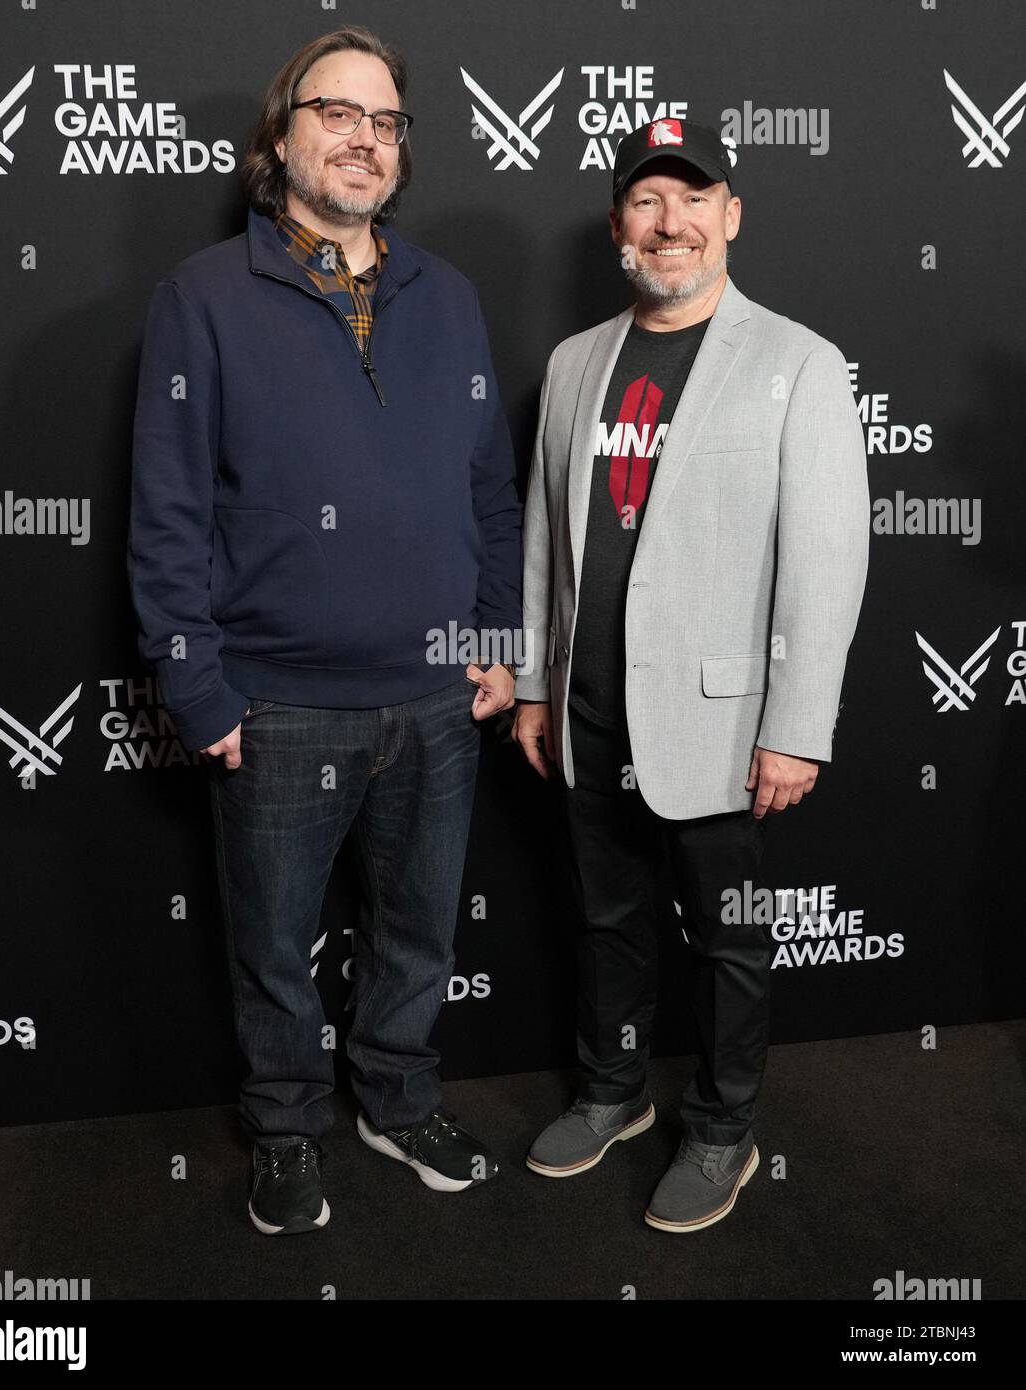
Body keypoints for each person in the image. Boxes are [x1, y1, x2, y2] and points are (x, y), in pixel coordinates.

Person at [126, 25, 521, 1235]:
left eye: (385, 120)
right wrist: (194, 686)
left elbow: (488, 492)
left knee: (416, 930)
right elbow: (169, 506)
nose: (363, 136)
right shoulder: (201, 296)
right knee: (274, 948)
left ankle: (396, 1102)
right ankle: (286, 1127)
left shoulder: (444, 295)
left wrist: (496, 640)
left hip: (435, 699)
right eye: (336, 112)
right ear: (280, 135)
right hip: (278, 701)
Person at [512, 119, 869, 1232]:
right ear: (619, 225)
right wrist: (532, 682)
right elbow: (540, 541)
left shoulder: (795, 361)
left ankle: (721, 1128)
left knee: (726, 939)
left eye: (690, 199)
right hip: (588, 712)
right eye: (644, 204)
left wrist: (796, 723)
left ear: (729, 215)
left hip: (720, 723)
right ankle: (614, 1090)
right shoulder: (575, 361)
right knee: (606, 925)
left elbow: (825, 556)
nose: (668, 224)